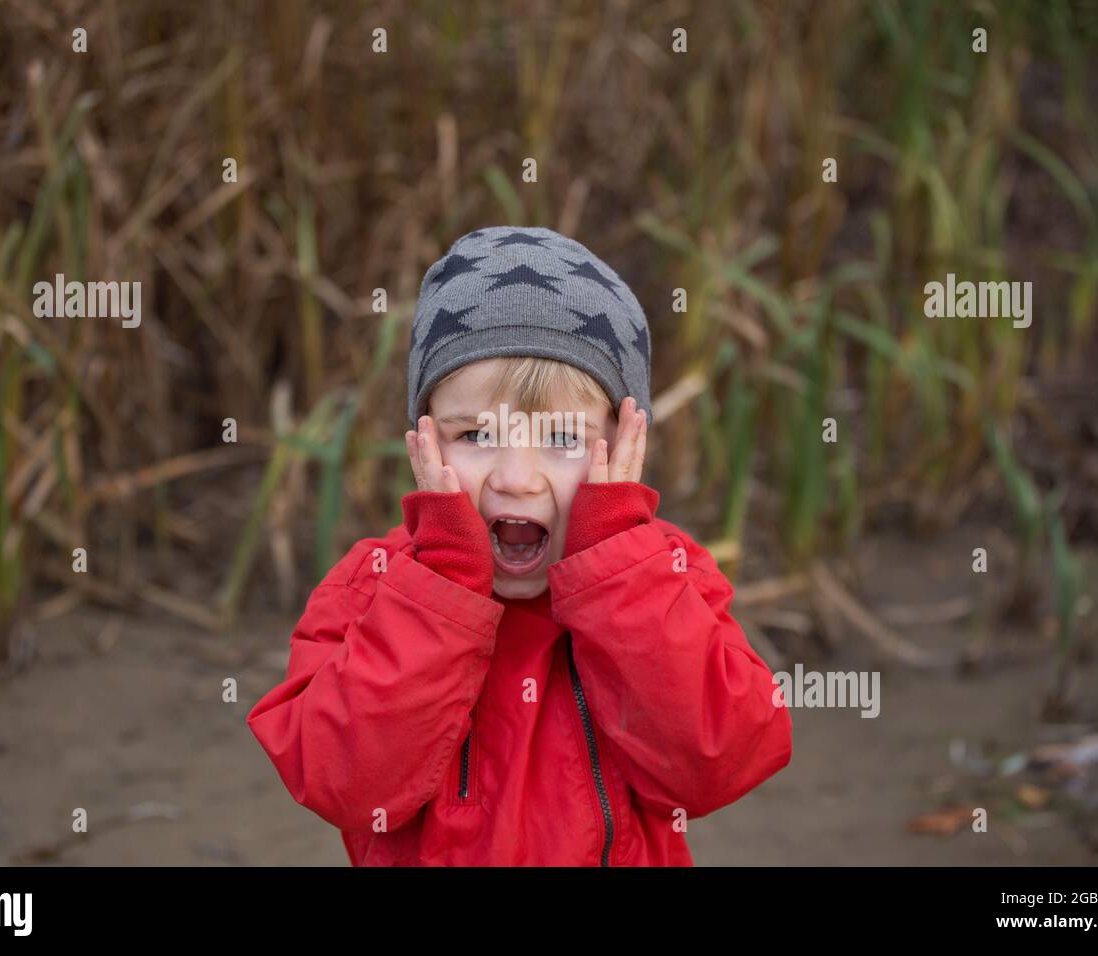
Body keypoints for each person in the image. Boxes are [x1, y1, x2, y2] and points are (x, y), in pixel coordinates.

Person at [247, 225, 791, 865]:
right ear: (422, 441)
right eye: (476, 434)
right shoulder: (373, 586)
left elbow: (718, 764)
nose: (516, 477)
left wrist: (616, 567)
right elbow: (346, 783)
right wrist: (443, 585)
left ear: (623, 447)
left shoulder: (663, 576)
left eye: (563, 437)